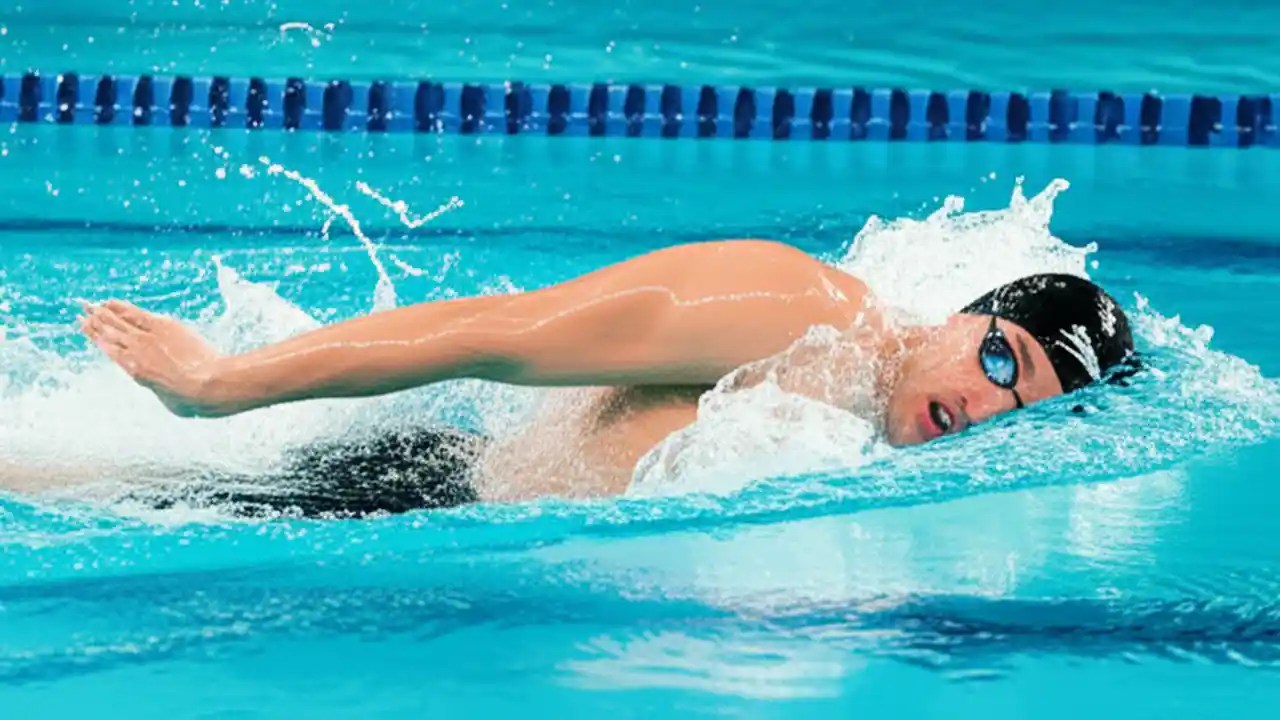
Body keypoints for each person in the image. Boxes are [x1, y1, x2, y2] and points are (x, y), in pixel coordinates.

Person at [76, 239, 1137, 518]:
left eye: (1019, 405)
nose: (983, 403)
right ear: (962, 316)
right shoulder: (795, 315)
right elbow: (496, 330)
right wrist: (221, 385)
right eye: (1000, 357)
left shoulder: (882, 437)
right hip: (400, 494)